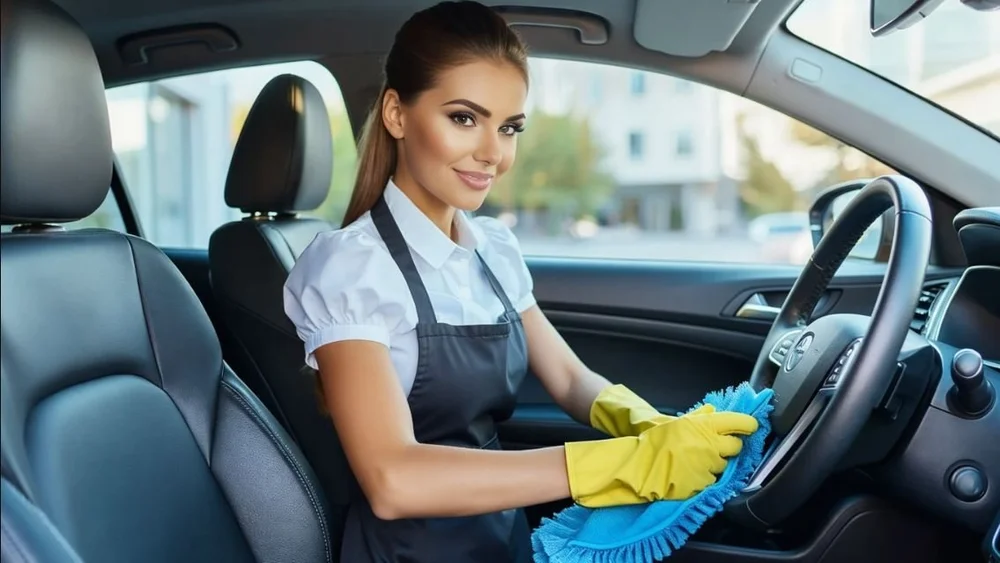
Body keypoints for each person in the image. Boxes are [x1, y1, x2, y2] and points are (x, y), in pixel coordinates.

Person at [283, 2, 759, 561]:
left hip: (500, 539)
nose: (493, 153)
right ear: (396, 114)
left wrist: (653, 427)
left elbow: (568, 379)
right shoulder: (351, 269)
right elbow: (394, 480)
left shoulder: (493, 249)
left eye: (509, 127)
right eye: (464, 118)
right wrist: (626, 464)